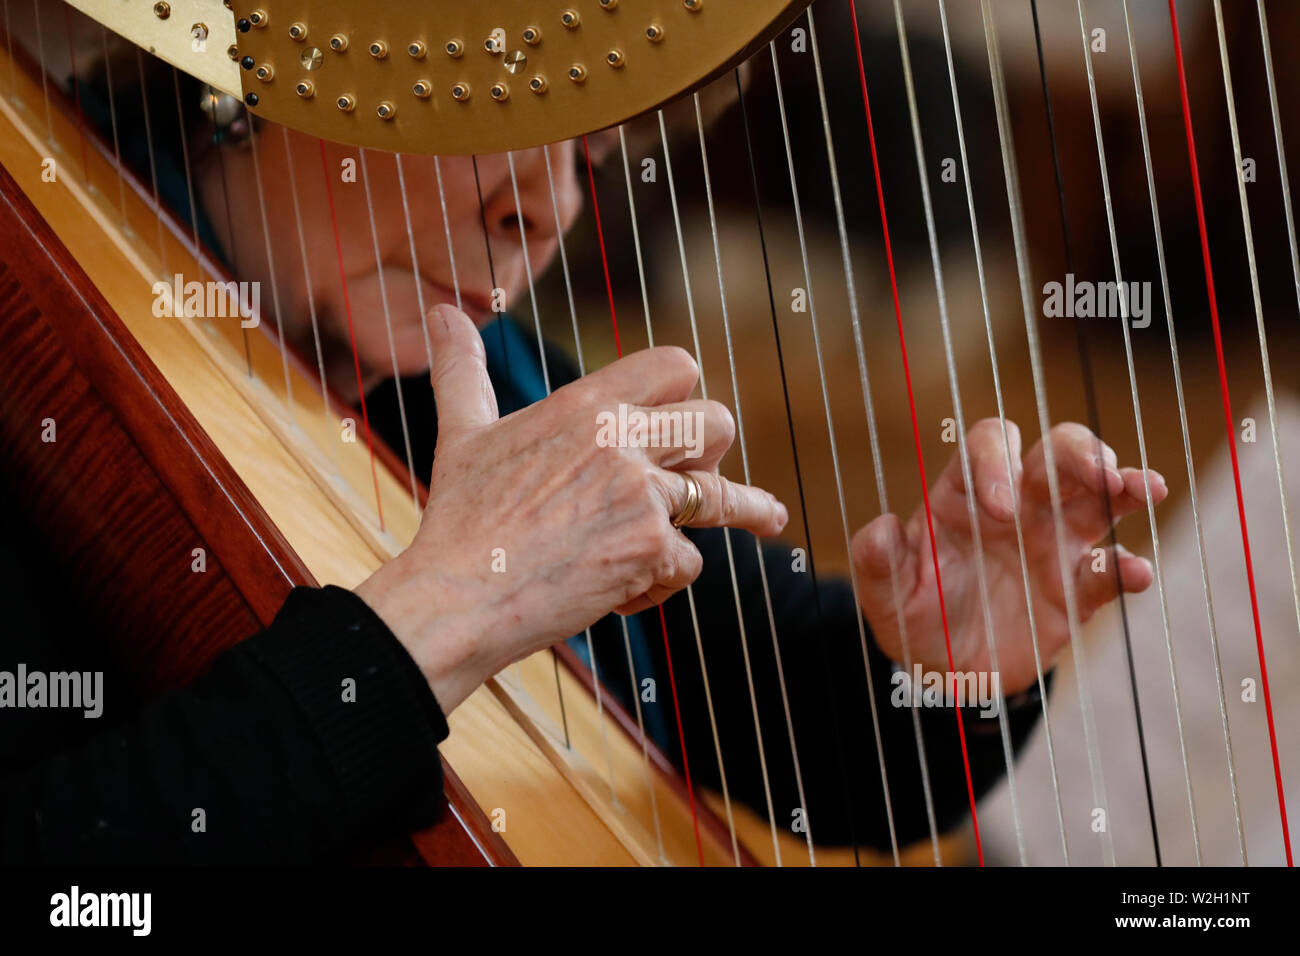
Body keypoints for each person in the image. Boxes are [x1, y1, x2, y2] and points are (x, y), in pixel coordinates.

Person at [0, 25, 1167, 862]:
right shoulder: (34, 315)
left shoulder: (482, 377)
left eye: (590, 153)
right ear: (263, 61)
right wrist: (432, 620)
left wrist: (939, 658)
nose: (546, 206)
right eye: (501, 113)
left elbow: (772, 707)